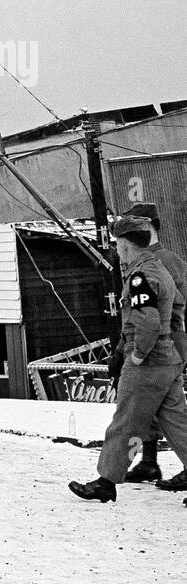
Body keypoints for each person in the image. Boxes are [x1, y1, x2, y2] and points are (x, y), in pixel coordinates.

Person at [70, 216, 187, 503]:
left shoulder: (140, 277)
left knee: (125, 421)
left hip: (148, 361)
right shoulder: (160, 270)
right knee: (177, 421)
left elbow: (146, 323)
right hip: (168, 357)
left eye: (117, 244)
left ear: (124, 245)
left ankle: (106, 482)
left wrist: (136, 355)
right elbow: (175, 316)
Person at [112, 202, 187, 488]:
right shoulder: (169, 259)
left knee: (142, 410)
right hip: (170, 344)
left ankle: (133, 467)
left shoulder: (152, 263)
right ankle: (148, 462)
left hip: (160, 346)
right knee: (163, 409)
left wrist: (130, 352)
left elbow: (150, 316)